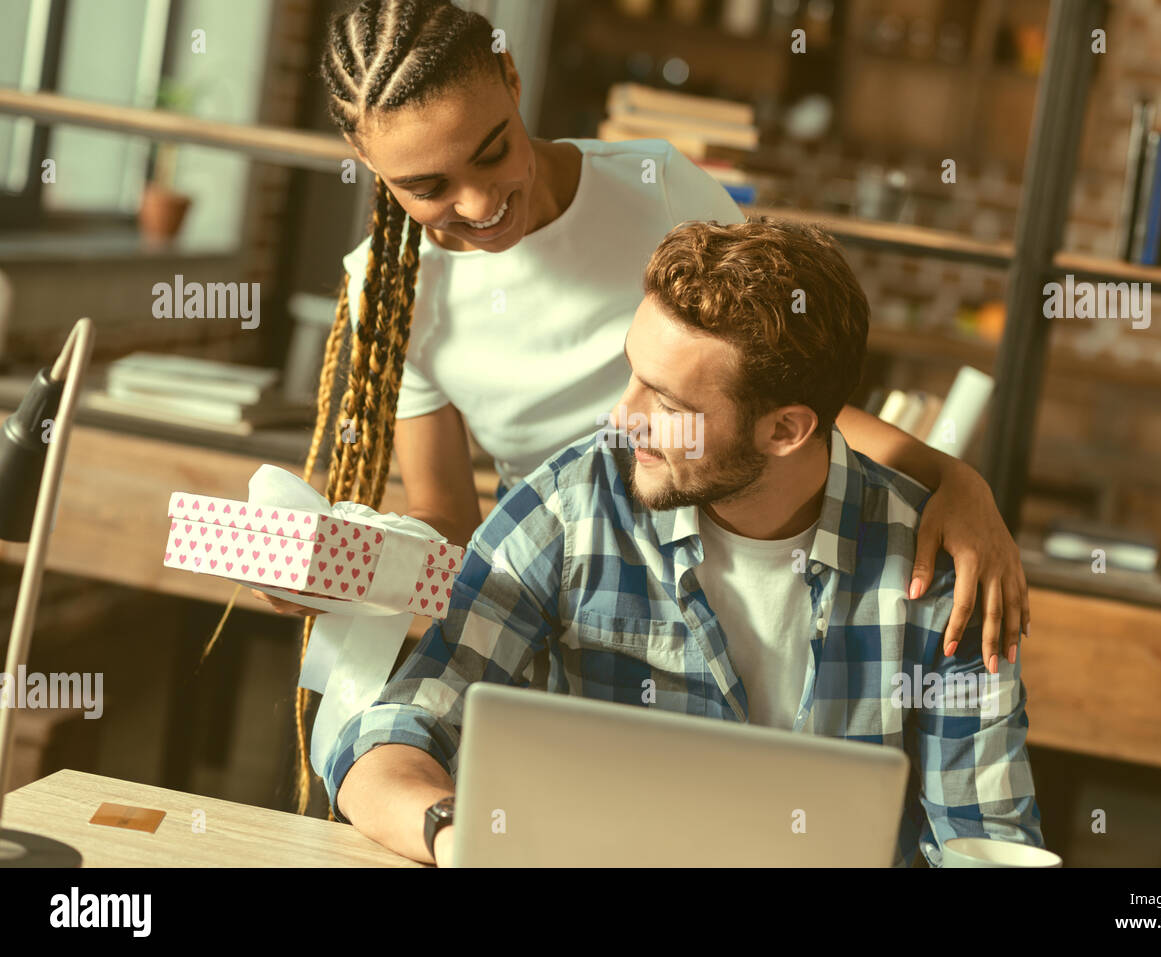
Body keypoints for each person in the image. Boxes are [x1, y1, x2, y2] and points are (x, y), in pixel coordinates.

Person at [247, 0, 1029, 811]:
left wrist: (953, 482)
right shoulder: (393, 287)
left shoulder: (654, 188)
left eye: (493, 153)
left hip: (722, 525)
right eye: (428, 186)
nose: (479, 205)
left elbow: (787, 394)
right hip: (571, 574)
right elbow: (453, 521)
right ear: (367, 163)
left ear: (514, 81)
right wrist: (357, 568)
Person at [326, 218, 1044, 867]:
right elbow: (391, 736)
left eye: (666, 403)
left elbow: (984, 836)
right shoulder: (572, 506)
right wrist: (461, 837)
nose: (622, 415)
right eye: (633, 374)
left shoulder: (941, 572)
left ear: (786, 430)